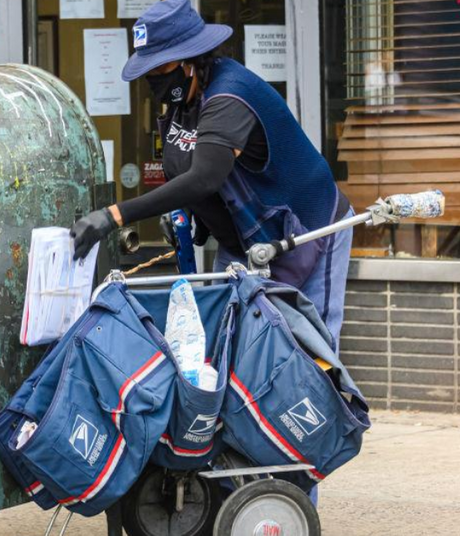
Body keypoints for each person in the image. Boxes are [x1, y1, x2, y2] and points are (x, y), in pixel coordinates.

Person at [69, 0, 353, 504]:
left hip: (308, 232)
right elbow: (193, 180)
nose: (153, 83)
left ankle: (296, 495)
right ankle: (236, 487)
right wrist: (190, 220)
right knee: (222, 358)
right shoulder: (180, 104)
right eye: (147, 73)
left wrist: (114, 215)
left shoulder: (230, 95)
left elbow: (206, 175)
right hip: (247, 240)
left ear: (189, 61)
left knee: (300, 363)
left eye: (159, 71)